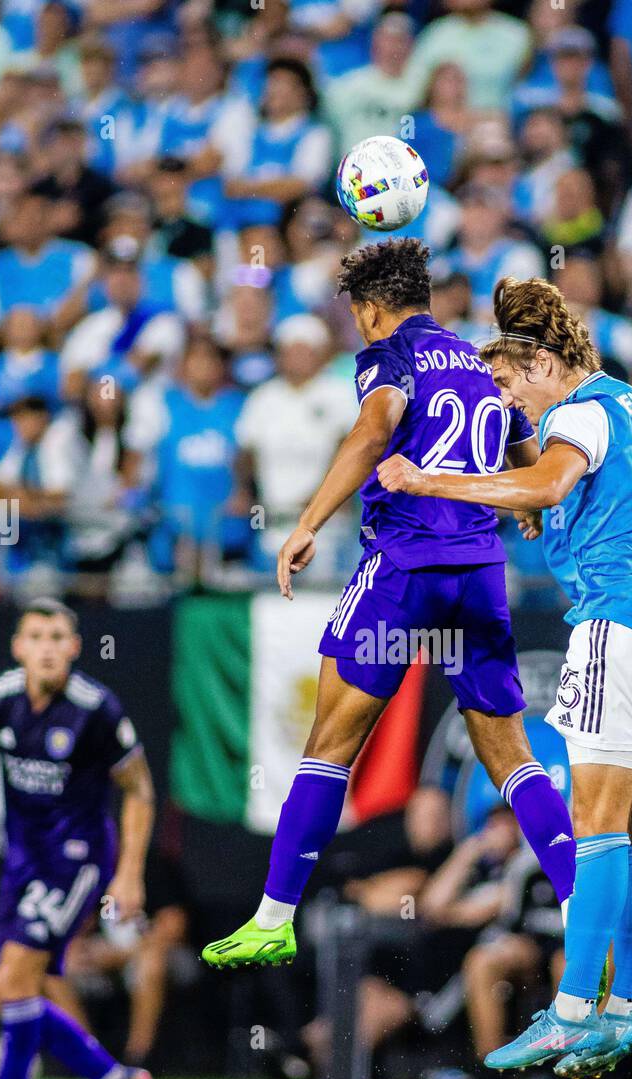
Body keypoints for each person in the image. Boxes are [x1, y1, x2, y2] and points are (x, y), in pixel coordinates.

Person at [377, 274, 632, 1077]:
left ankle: (572, 1009)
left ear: (543, 362)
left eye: (512, 386)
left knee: (594, 828)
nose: (512, 406)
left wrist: (427, 478)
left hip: (616, 631)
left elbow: (549, 481)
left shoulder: (577, 413)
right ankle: (627, 1010)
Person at [202, 238, 577, 971]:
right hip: (478, 572)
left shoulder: (387, 355)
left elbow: (374, 429)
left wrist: (306, 522)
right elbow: (527, 455)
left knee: (331, 743)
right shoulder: (480, 360)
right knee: (512, 757)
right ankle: (579, 909)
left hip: (405, 564)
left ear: (372, 309)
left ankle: (274, 917)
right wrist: (527, 509)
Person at [0, 598, 155, 1079]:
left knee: (16, 981)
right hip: (23, 860)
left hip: (75, 858)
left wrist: (128, 874)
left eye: (58, 637)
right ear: (18, 647)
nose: (48, 648)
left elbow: (139, 790)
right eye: (37, 637)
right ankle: (113, 1077)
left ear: (75, 648)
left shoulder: (94, 708)